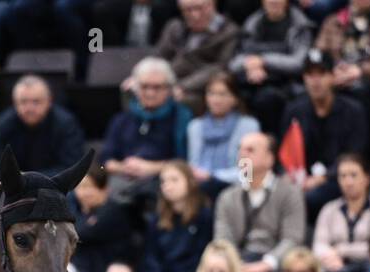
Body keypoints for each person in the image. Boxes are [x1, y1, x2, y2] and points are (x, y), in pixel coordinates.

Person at [280, 48, 368, 218]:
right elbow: (285, 151)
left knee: (310, 198)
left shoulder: (353, 111)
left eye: (321, 74)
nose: (315, 81)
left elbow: (355, 154)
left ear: (332, 76)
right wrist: (289, 175)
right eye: (310, 75)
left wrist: (324, 177)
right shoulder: (294, 111)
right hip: (301, 179)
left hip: (339, 179)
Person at [213, 131, 306, 272]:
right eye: (240, 149)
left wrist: (267, 264)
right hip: (236, 267)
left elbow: (292, 239)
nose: (242, 154)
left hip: (276, 267)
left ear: (270, 159)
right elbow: (222, 240)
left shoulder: (290, 193)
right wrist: (236, 266)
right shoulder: (227, 197)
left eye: (250, 150)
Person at [101, 57, 192, 200]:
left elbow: (185, 162)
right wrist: (124, 167)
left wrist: (153, 168)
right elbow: (105, 160)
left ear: (169, 89)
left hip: (162, 184)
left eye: (157, 87)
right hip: (122, 182)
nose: (150, 93)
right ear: (136, 88)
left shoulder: (182, 118)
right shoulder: (122, 119)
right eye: (144, 86)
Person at [228, 0, 315, 134]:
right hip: (251, 80)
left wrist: (263, 61)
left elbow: (299, 62)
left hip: (286, 84)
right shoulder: (252, 23)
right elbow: (234, 62)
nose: (273, 1)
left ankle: (271, 140)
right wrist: (251, 65)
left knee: (267, 98)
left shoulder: (299, 24)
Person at [313, 0, 370, 134]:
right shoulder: (332, 21)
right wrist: (332, 71)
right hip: (335, 78)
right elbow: (318, 53)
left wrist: (360, 70)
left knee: (362, 92)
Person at [138, 159, 213, 272]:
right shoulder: (157, 219)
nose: (168, 185)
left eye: (174, 180)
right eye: (163, 181)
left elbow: (200, 258)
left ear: (190, 182)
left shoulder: (204, 216)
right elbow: (150, 255)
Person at [310, 152, 370, 272]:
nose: (348, 182)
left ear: (367, 178)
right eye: (343, 176)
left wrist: (341, 250)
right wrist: (331, 259)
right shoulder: (328, 209)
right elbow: (319, 245)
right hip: (335, 269)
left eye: (353, 175)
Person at [155, 0, 242, 113]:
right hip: (168, 81)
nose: (195, 15)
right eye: (188, 10)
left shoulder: (229, 32)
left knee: (179, 101)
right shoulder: (175, 26)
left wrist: (183, 86)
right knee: (137, 89)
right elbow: (159, 58)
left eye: (200, 8)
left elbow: (221, 67)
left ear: (212, 4)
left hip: (201, 88)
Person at [0, 74, 87, 177]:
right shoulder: (4, 124)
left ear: (49, 101)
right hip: (15, 184)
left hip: (56, 183)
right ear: (14, 103)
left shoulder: (66, 124)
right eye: (23, 102)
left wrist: (30, 179)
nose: (29, 108)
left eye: (36, 102)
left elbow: (71, 167)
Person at [186, 71, 259, 200]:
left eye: (222, 94)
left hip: (234, 189)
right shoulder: (195, 126)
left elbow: (247, 173)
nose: (216, 100)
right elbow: (193, 165)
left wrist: (213, 176)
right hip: (199, 189)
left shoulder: (249, 125)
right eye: (212, 93)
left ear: (235, 98)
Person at [71, 165, 134, 272]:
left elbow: (79, 233)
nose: (84, 193)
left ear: (104, 188)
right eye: (80, 187)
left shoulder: (113, 211)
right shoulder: (77, 212)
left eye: (89, 187)